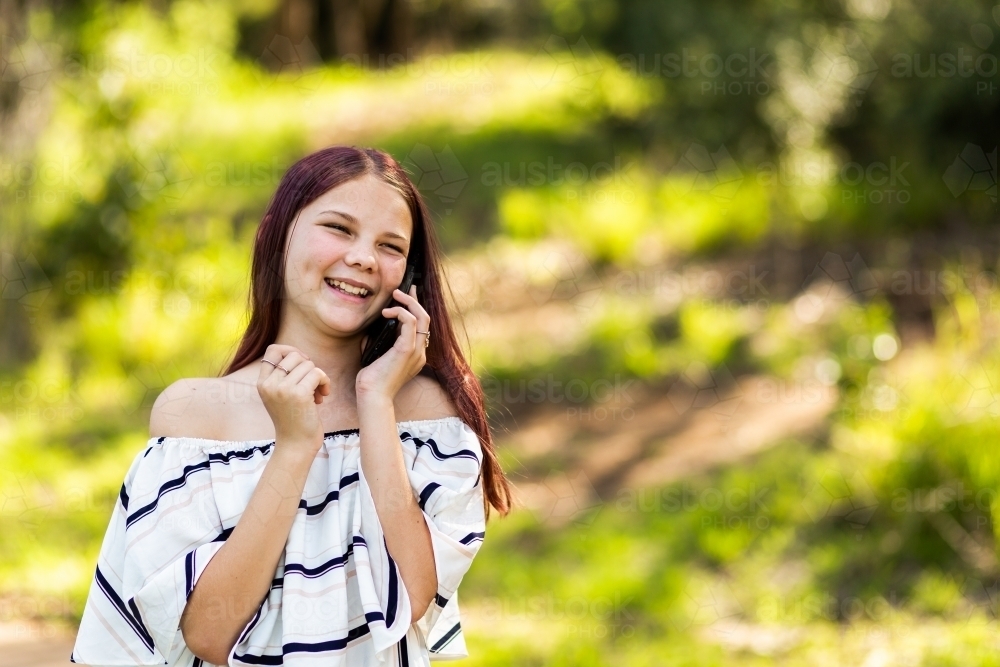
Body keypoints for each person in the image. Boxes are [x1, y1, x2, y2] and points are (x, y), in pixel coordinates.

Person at [70, 146, 513, 666]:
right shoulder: (194, 414)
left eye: (390, 245)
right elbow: (209, 633)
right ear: (275, 236)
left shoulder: (427, 416)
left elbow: (413, 599)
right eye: (340, 229)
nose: (364, 257)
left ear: (407, 278)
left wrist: (376, 401)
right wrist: (296, 444)